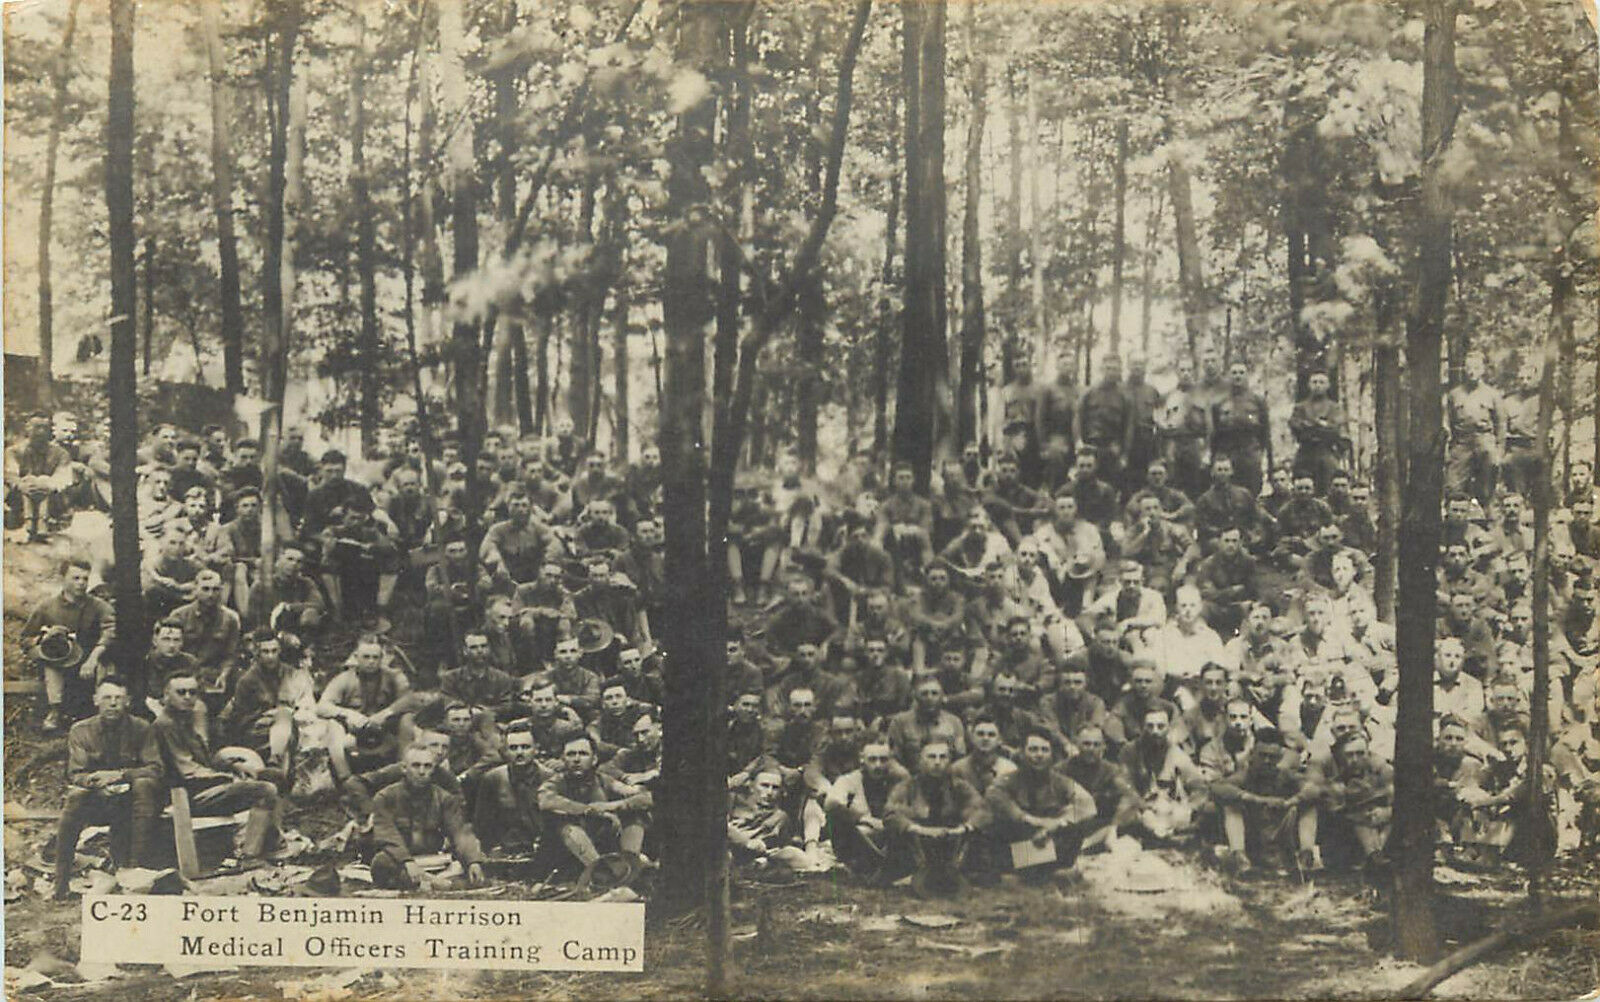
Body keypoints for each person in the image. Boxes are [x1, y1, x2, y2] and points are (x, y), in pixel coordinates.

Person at [152, 672, 280, 869]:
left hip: (201, 789)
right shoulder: (166, 725)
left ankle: (268, 843)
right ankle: (249, 855)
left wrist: (233, 766)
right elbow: (189, 770)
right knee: (265, 791)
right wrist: (229, 778)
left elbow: (204, 761)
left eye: (192, 692)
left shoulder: (185, 721)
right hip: (187, 796)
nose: (187, 697)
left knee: (274, 778)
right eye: (181, 692)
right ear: (166, 695)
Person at [53, 678, 162, 899]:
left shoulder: (142, 728)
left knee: (144, 784)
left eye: (118, 698)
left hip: (133, 798)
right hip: (97, 799)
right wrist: (96, 782)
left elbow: (155, 768)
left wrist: (120, 776)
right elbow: (76, 774)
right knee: (74, 797)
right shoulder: (81, 731)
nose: (113, 703)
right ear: (96, 701)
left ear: (128, 701)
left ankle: (134, 872)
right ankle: (60, 883)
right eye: (107, 698)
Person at [369, 744, 486, 889]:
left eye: (427, 766)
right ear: (404, 768)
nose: (422, 771)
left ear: (434, 769)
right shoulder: (385, 797)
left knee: (470, 862)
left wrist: (473, 861)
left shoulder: (444, 798)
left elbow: (459, 832)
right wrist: (407, 861)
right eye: (416, 766)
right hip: (399, 860)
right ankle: (441, 884)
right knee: (381, 862)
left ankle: (426, 882)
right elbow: (386, 834)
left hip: (433, 860)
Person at [986, 728, 1097, 878]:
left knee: (1074, 826)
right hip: (1019, 840)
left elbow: (1088, 805)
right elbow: (994, 795)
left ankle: (1028, 869)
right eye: (1033, 749)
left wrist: (1055, 825)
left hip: (1044, 842)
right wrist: (1030, 820)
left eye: (1045, 750)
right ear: (1022, 753)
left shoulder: (1060, 782)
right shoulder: (1008, 780)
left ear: (1052, 755)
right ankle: (1043, 870)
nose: (1039, 755)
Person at [885, 741, 989, 897]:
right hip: (918, 843)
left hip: (951, 842)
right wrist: (917, 828)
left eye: (943, 757)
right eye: (931, 757)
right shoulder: (907, 786)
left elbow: (981, 809)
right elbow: (890, 812)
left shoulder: (959, 786)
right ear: (921, 760)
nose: (937, 762)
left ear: (949, 761)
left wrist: (965, 828)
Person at [24, 556, 116, 731]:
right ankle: (55, 712)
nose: (81, 583)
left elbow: (110, 631)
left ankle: (103, 716)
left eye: (85, 579)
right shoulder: (47, 607)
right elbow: (26, 639)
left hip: (90, 659)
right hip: (60, 660)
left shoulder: (98, 606)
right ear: (62, 579)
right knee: (51, 667)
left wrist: (93, 658)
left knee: (107, 668)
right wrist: (43, 640)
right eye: (76, 578)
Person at [537, 735, 652, 873]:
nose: (577, 759)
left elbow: (645, 797)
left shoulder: (604, 780)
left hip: (601, 843)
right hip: (568, 852)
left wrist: (612, 806)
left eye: (583, 754)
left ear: (594, 759)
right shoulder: (556, 782)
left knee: (635, 814)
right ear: (563, 759)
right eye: (571, 754)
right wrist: (589, 810)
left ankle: (629, 864)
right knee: (564, 824)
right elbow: (546, 800)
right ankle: (602, 871)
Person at [825, 740, 909, 880]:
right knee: (838, 820)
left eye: (883, 760)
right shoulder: (848, 780)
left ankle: (884, 868)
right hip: (859, 838)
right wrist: (863, 819)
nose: (878, 765)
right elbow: (831, 804)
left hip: (888, 836)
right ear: (862, 760)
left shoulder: (898, 781)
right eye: (873, 760)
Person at [1445, 349, 1505, 508]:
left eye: (1476, 368)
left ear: (1483, 370)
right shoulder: (1454, 394)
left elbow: (1501, 424)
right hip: (1462, 441)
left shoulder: (1492, 394)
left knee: (1490, 472)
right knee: (1453, 485)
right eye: (1469, 368)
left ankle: (1487, 514)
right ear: (1464, 369)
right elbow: (1449, 421)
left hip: (1484, 439)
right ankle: (1457, 516)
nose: (1472, 372)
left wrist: (1499, 450)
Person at [7, 413, 75, 540]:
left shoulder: (60, 453)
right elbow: (11, 474)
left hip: (53, 499)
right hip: (19, 497)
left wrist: (48, 484)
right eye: (37, 427)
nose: (41, 432)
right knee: (29, 481)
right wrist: (22, 485)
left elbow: (63, 476)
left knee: (42, 481)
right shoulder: (14, 451)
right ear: (27, 428)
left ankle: (41, 524)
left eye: (45, 428)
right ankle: (29, 525)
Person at [1289, 371, 1348, 494]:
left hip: (1326, 452)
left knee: (1328, 488)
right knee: (1303, 487)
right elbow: (1296, 427)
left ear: (1328, 385)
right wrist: (1321, 425)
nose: (1318, 385)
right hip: (1305, 453)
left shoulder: (1334, 408)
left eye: (1321, 382)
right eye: (1314, 382)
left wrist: (1311, 426)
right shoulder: (1300, 407)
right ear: (1309, 385)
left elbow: (1335, 430)